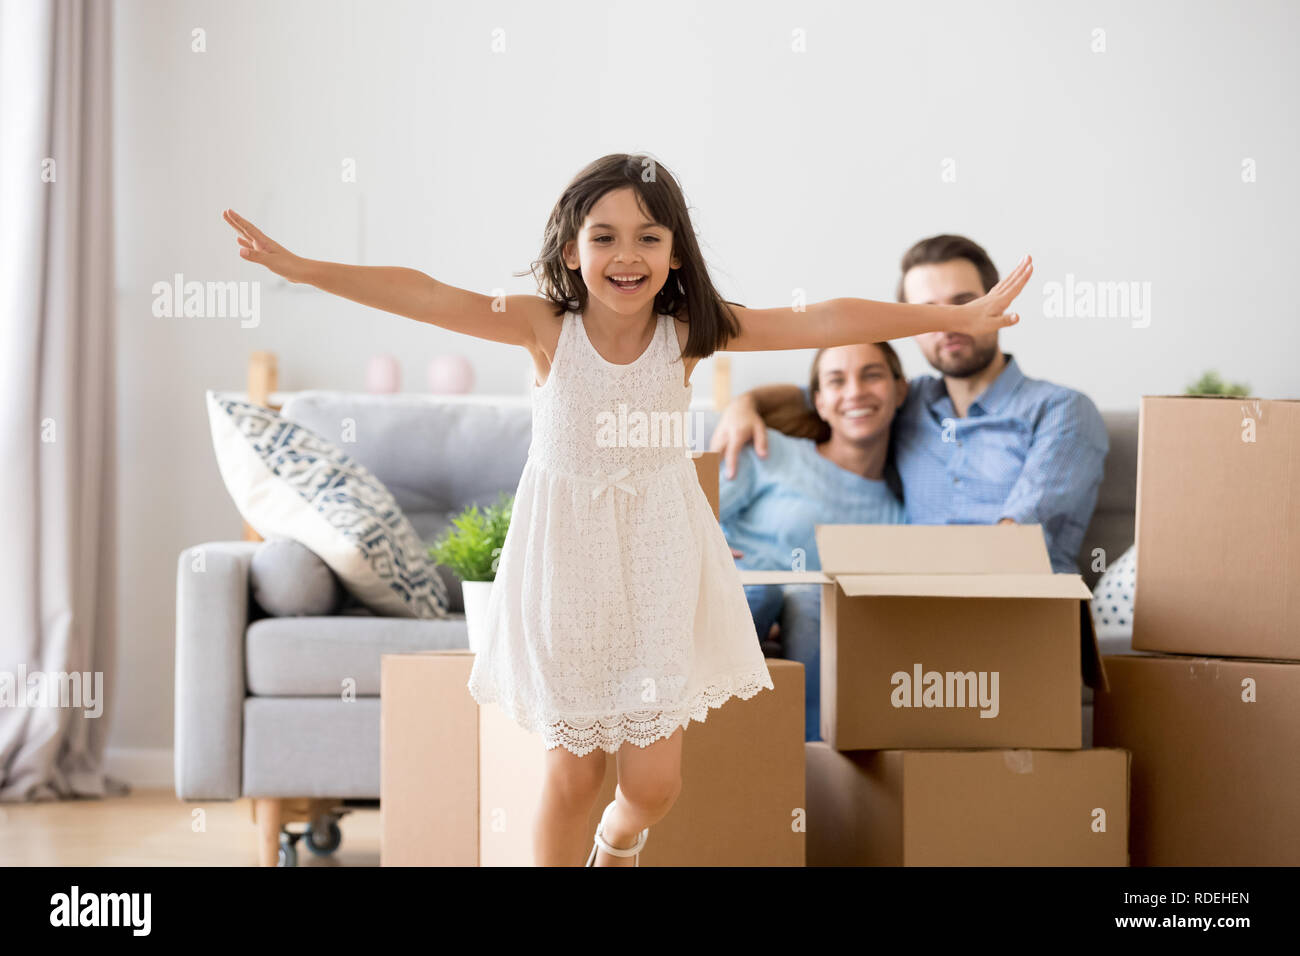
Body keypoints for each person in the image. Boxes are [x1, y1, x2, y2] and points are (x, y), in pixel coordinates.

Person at [222, 156, 1033, 867]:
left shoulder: (687, 333)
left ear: (675, 254)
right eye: (603, 235)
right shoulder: (545, 327)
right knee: (572, 771)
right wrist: (303, 267)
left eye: (648, 235)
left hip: (656, 559)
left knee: (652, 785)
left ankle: (617, 846)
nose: (626, 253)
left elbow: (820, 320)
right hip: (565, 565)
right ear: (572, 253)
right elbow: (428, 296)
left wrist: (952, 316)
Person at [711, 234, 1106, 574]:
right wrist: (745, 403)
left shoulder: (1060, 410)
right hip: (909, 608)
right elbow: (827, 398)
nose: (954, 323)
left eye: (966, 305)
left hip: (1022, 607)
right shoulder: (908, 398)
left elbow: (1016, 547)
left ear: (993, 304)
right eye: (932, 313)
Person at [719, 341, 909, 742]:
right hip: (736, 593)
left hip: (817, 622)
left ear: (900, 390)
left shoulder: (900, 512)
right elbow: (693, 514)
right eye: (837, 381)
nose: (855, 391)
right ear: (820, 403)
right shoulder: (769, 449)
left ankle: (815, 764)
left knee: (809, 597)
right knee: (765, 593)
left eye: (871, 375)